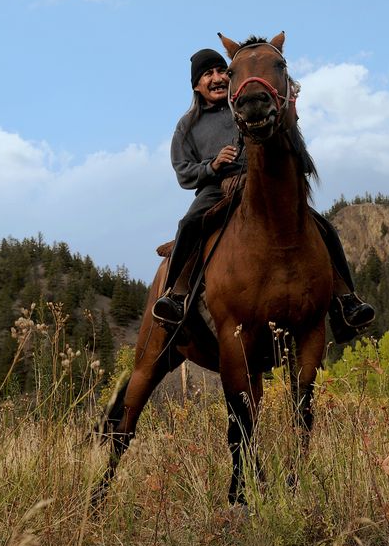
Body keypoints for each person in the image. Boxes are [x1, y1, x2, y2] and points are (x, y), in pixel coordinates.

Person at [152, 47, 374, 343]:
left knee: (323, 227)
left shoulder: (246, 102)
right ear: (196, 85)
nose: (217, 78)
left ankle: (346, 301)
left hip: (259, 183)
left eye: (221, 72)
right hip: (216, 188)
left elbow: (280, 133)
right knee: (190, 224)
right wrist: (213, 166)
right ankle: (176, 296)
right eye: (208, 74)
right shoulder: (188, 125)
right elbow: (183, 172)